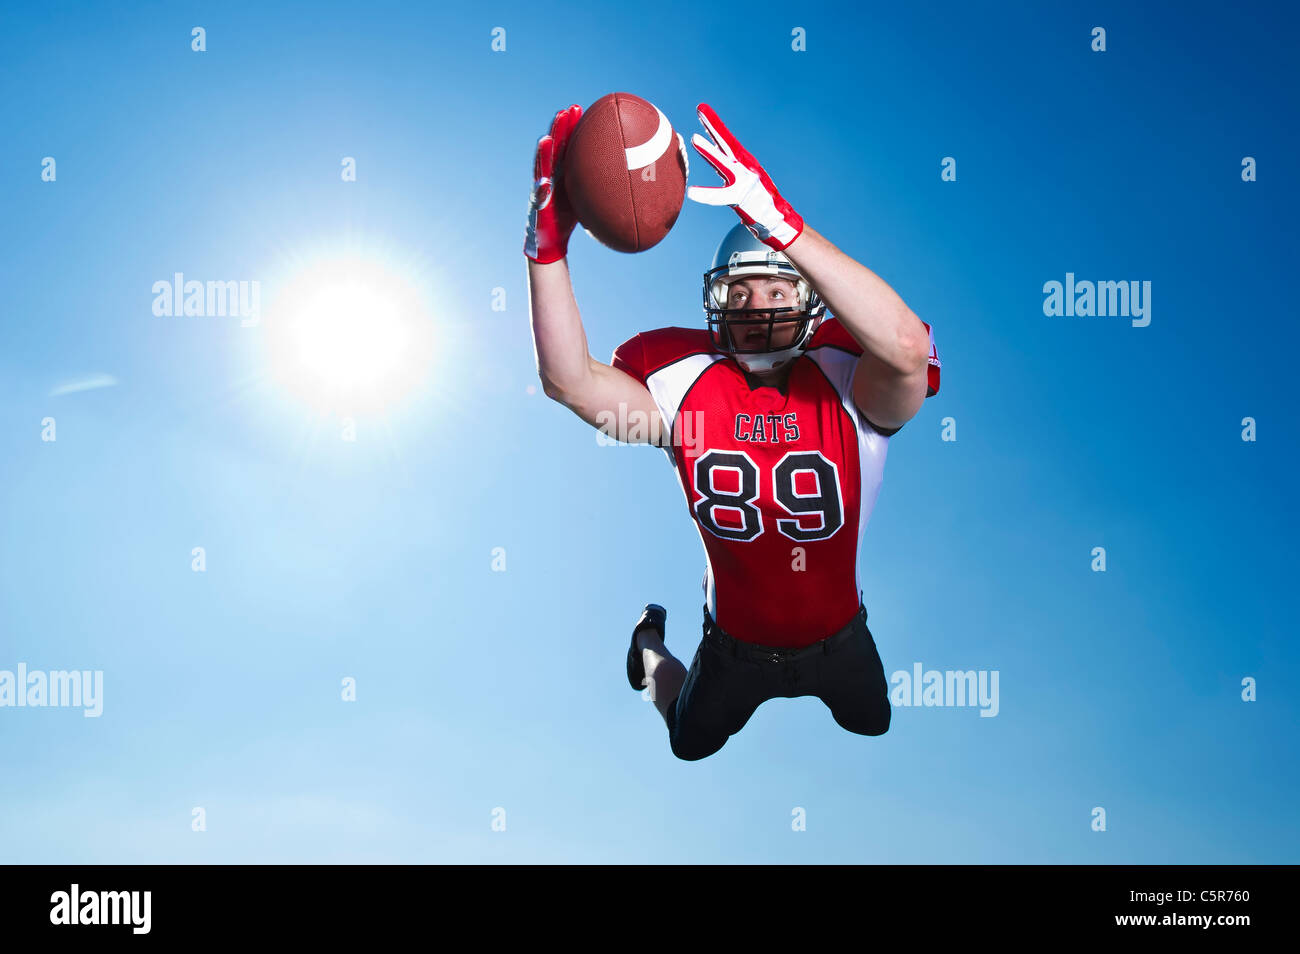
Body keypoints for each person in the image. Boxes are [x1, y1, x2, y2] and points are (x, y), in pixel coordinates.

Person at [524, 102, 942, 761]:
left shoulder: (849, 375)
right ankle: (647, 651)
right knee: (689, 742)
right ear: (715, 301)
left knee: (873, 722)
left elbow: (907, 349)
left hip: (839, 636)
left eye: (775, 290)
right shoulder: (684, 381)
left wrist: (784, 228)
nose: (754, 306)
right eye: (739, 293)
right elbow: (569, 381)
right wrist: (547, 254)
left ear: (810, 299)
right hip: (733, 647)